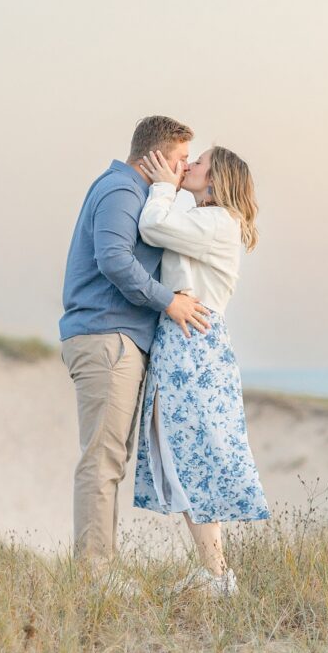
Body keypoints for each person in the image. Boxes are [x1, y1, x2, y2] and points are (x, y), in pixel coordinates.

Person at [59, 116, 212, 583]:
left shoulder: (129, 191)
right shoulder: (123, 191)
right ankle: (95, 574)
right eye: (183, 158)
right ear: (158, 156)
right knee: (102, 460)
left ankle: (99, 568)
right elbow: (113, 259)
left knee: (109, 459)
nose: (186, 169)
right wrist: (171, 303)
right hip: (109, 337)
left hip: (115, 338)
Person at [132, 144, 269, 598]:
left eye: (199, 163)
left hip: (194, 344)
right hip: (187, 340)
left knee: (190, 453)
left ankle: (217, 575)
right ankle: (214, 572)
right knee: (185, 453)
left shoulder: (217, 223)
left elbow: (152, 226)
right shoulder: (207, 221)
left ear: (216, 179)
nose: (188, 166)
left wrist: (163, 187)